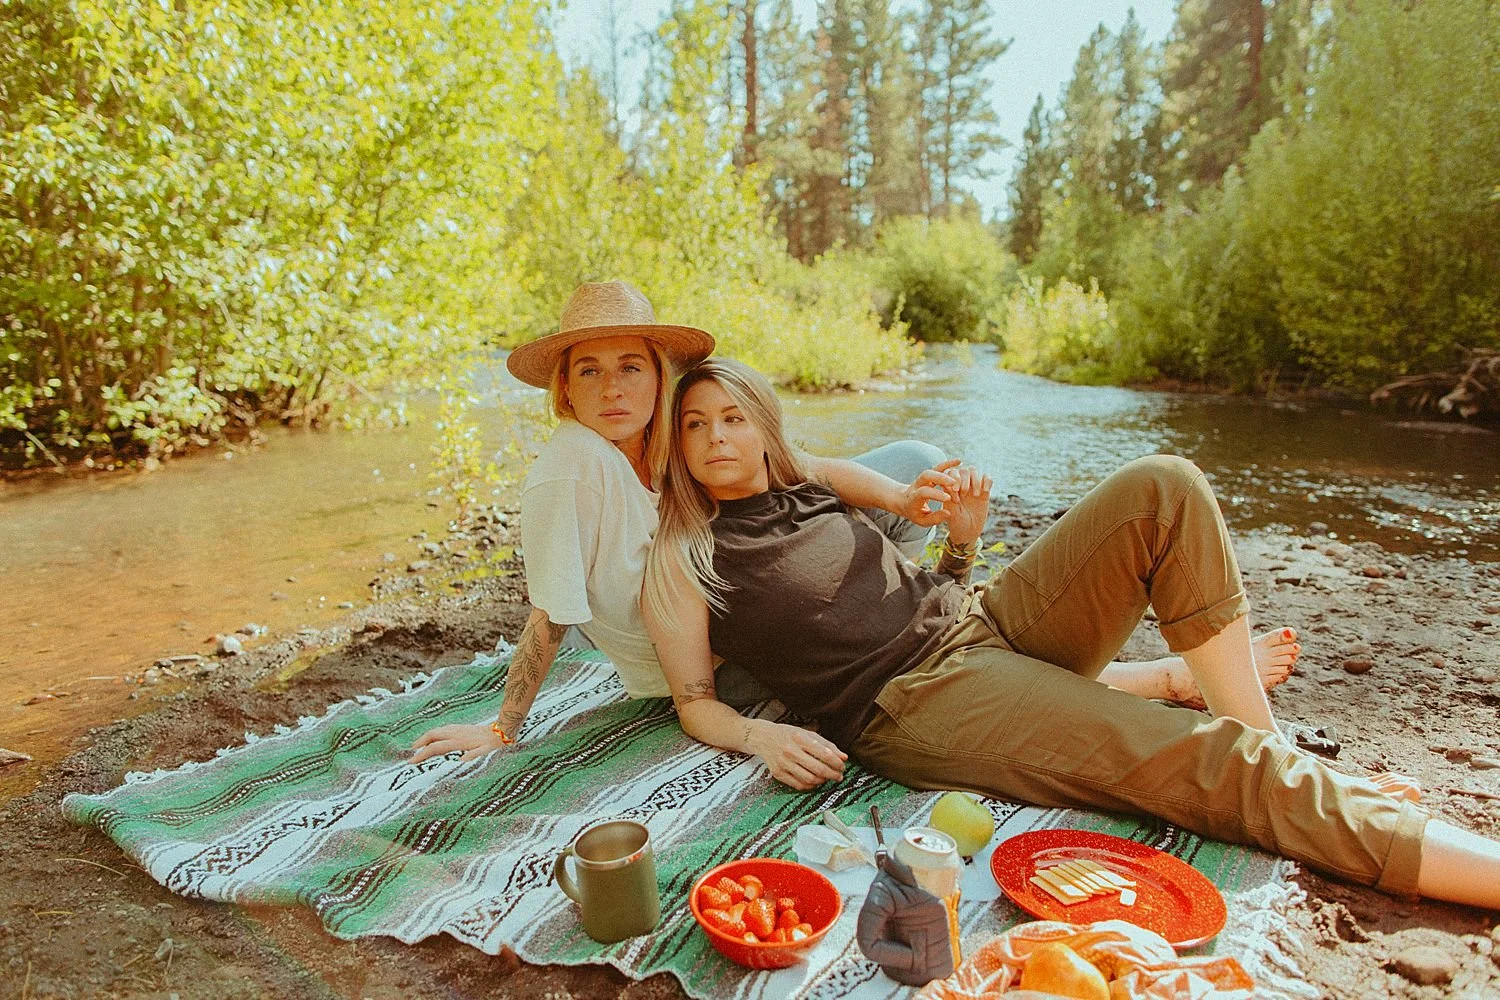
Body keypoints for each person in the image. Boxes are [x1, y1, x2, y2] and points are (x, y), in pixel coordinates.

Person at [642, 358, 1500, 910]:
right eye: (695, 425)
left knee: (1163, 486)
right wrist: (760, 735)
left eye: (733, 417)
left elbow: (912, 522)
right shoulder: (683, 554)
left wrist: (963, 533)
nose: (718, 437)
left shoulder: (807, 476)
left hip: (979, 623)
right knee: (1196, 757)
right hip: (915, 704)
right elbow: (693, 702)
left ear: (761, 421)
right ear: (676, 447)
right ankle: (1431, 851)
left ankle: (1268, 740)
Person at [409, 281, 956, 763]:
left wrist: (904, 498)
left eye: (629, 366)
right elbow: (549, 615)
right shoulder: (570, 467)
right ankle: (862, 639)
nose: (612, 389)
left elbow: (798, 466)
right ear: (566, 390)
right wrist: (503, 729)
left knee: (915, 462)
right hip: (710, 660)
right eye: (589, 371)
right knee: (581, 620)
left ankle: (882, 615)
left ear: (658, 374)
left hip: (753, 589)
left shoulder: (670, 431)